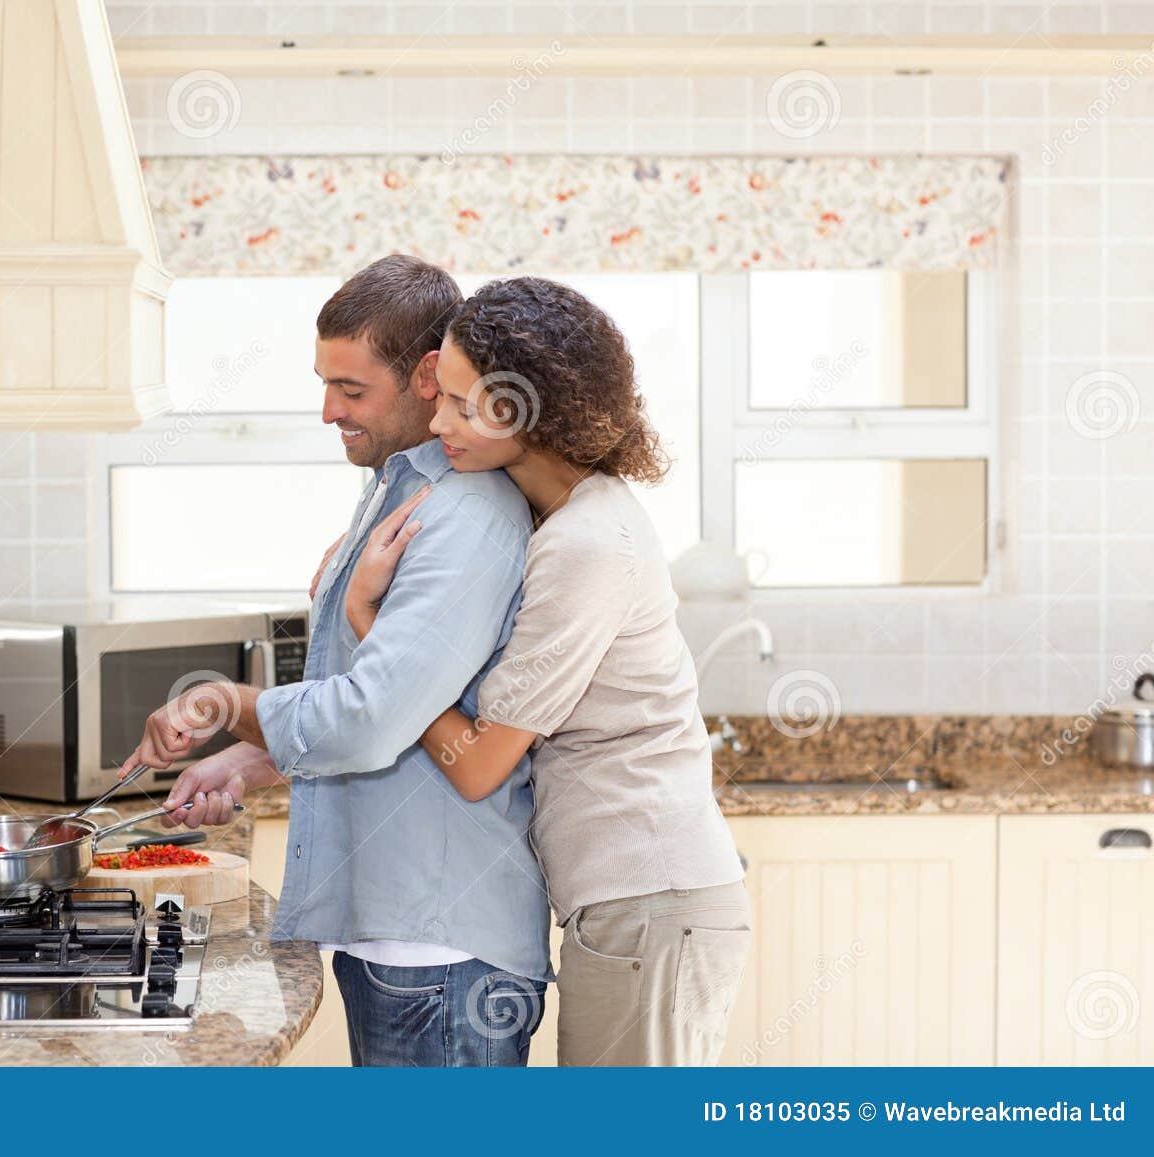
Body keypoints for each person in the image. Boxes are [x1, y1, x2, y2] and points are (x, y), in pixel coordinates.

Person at [122, 255, 552, 1067]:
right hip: (401, 940)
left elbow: (369, 717)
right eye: (325, 385)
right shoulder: (398, 487)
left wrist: (226, 701)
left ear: (429, 376)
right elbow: (386, 689)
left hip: (441, 954)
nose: (328, 411)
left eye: (352, 391)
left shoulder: (462, 517)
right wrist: (251, 764)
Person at [340, 276, 751, 1067]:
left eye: (462, 405)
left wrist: (376, 630)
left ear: (526, 412)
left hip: (653, 901)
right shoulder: (562, 512)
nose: (437, 421)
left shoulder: (587, 543)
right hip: (632, 906)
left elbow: (480, 764)